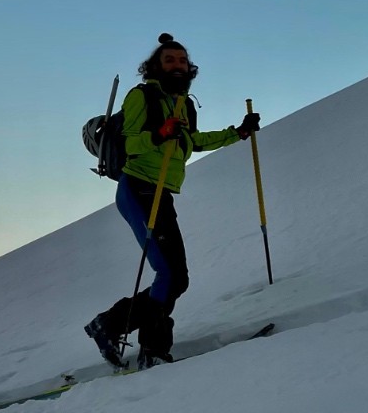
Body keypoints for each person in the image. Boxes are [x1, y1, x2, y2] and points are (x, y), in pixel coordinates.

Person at [84, 33, 260, 369]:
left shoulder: (184, 104)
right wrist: (160, 133)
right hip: (138, 189)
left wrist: (237, 133)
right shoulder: (142, 96)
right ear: (156, 66)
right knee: (169, 274)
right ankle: (151, 348)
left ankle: (109, 326)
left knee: (176, 277)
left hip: (160, 192)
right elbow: (131, 143)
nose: (178, 65)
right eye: (169, 60)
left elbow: (192, 142)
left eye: (182, 60)